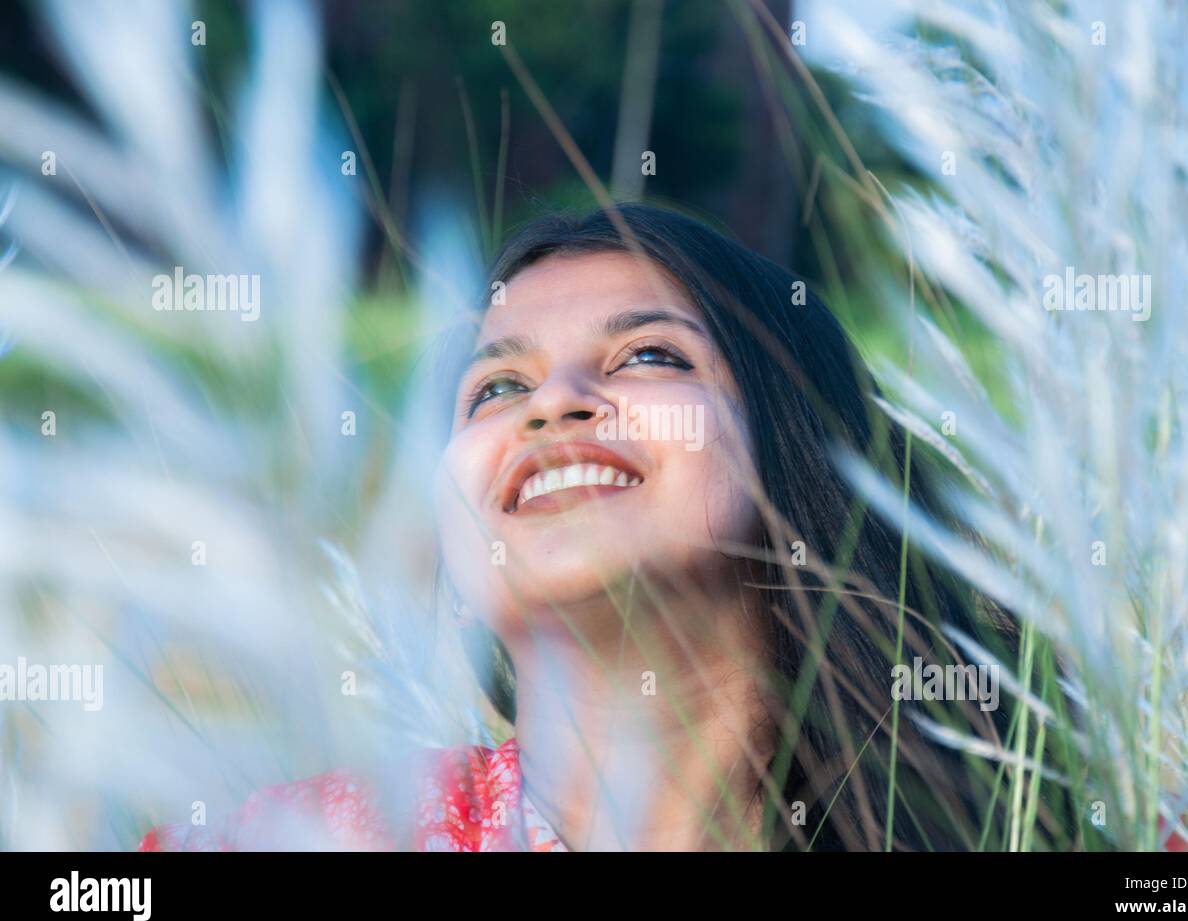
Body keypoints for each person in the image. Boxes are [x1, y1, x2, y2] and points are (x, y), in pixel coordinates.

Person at [141, 202, 1008, 852]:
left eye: (649, 356)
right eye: (497, 389)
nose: (552, 404)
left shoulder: (1046, 824)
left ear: (804, 449)